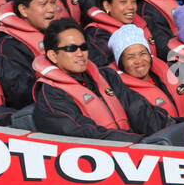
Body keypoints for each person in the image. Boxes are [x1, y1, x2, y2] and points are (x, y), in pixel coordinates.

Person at [31, 19, 173, 141]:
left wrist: (175, 127)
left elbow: (140, 111)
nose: (80, 54)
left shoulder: (107, 76)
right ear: (53, 55)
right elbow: (83, 135)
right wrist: (139, 143)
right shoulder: (50, 97)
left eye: (83, 47)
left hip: (134, 149)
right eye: (71, 48)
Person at [0, 0, 59, 107]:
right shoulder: (8, 46)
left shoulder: (60, 33)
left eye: (53, 2)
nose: (51, 9)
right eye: (43, 4)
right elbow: (20, 93)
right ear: (23, 10)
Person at [107, 24, 184, 119]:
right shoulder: (125, 95)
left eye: (143, 54)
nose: (139, 61)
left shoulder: (171, 72)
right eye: (130, 57)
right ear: (121, 63)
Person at [85, 0, 157, 67]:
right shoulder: (97, 34)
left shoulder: (143, 23)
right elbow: (103, 71)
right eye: (123, 2)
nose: (131, 7)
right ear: (107, 6)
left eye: (133, 1)